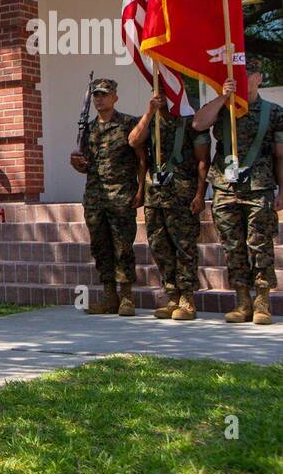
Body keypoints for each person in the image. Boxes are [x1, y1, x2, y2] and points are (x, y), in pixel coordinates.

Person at [192, 55, 283, 324]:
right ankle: (242, 301)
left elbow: (280, 156)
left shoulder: (275, 112)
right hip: (225, 187)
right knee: (233, 247)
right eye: (238, 75)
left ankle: (262, 301)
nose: (244, 79)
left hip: (259, 186)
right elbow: (198, 124)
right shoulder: (222, 109)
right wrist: (222, 97)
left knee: (260, 245)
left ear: (259, 78)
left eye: (249, 74)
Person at [128, 95, 210, 320]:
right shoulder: (151, 121)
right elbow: (134, 141)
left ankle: (187, 298)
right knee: (159, 247)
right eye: (156, 90)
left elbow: (203, 160)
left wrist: (200, 194)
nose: (159, 95)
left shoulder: (191, 121)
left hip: (182, 195)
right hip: (155, 196)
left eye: (165, 90)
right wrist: (149, 112)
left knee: (185, 247)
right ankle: (172, 295)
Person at [70, 78, 145, 316]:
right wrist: (76, 163)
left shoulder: (128, 124)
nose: (99, 99)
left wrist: (141, 189)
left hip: (121, 195)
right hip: (95, 197)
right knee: (101, 247)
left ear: (115, 97)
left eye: (104, 94)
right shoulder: (88, 129)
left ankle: (126, 298)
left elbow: (142, 160)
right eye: (96, 95)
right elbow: (86, 165)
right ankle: (109, 297)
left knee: (123, 247)